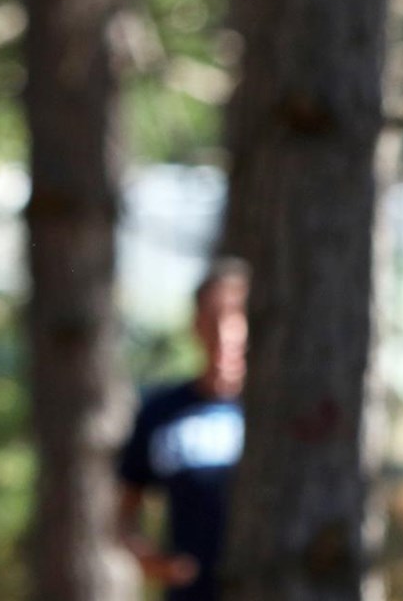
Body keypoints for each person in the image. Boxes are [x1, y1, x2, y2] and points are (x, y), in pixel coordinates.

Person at [116, 257, 251, 601]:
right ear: (196, 324)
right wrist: (154, 563)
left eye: (236, 316)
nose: (225, 331)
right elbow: (123, 514)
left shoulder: (279, 415)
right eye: (213, 316)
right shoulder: (162, 411)